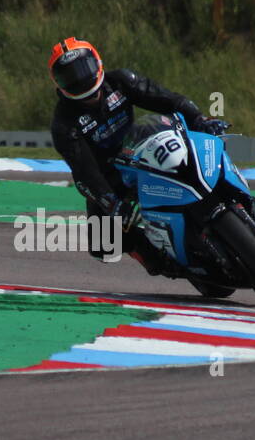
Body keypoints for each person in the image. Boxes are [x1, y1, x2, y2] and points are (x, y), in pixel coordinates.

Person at [47, 37, 229, 276]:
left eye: (83, 69)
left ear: (97, 63)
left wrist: (200, 119)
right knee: (102, 245)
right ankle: (158, 256)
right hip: (110, 176)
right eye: (69, 76)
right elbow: (84, 173)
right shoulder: (64, 123)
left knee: (205, 143)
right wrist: (112, 204)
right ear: (58, 83)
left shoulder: (121, 81)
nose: (79, 79)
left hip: (143, 146)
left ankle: (231, 195)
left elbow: (167, 99)